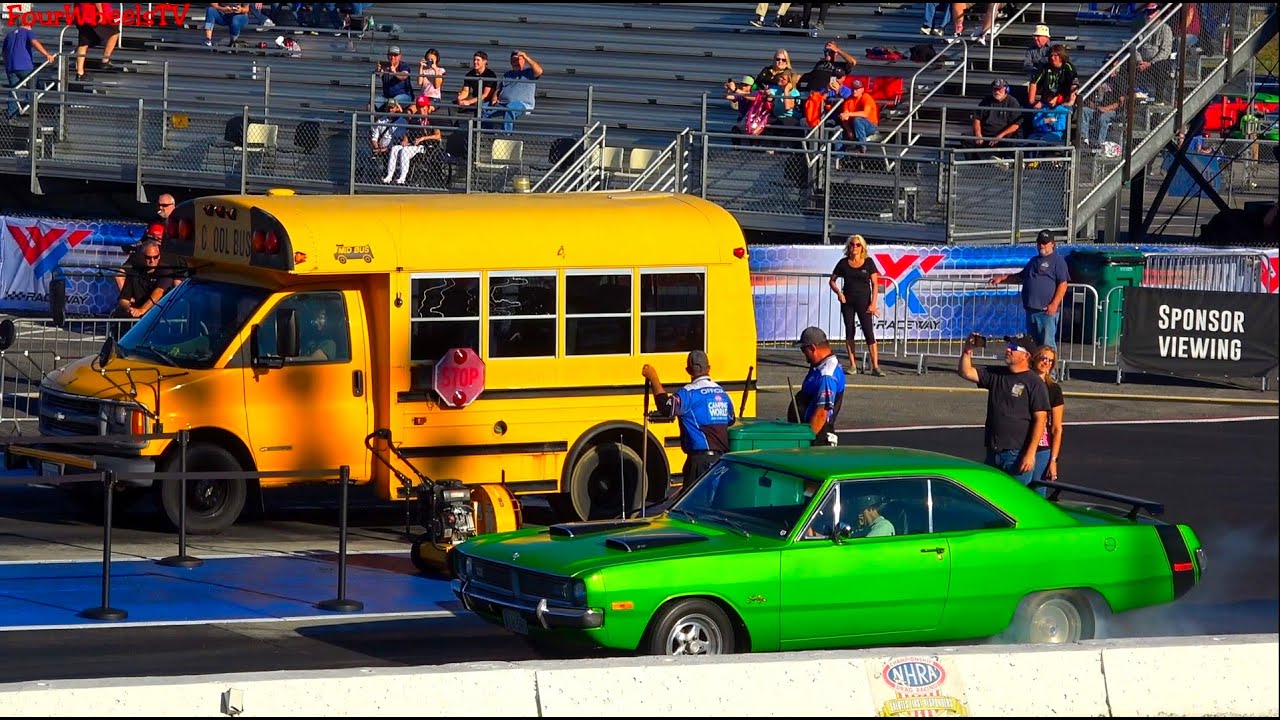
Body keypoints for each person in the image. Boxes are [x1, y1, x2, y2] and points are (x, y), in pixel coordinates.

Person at [956, 332, 1050, 486]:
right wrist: (967, 350)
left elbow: (1040, 420)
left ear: (1026, 355)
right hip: (993, 452)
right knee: (990, 500)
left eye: (1013, 347)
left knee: (1016, 501)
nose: (1008, 349)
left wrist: (1030, 454)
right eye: (1008, 346)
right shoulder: (997, 374)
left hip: (1016, 454)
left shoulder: (1034, 383)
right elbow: (965, 372)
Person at [641, 350, 735, 486]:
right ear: (709, 368)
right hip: (721, 462)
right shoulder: (723, 393)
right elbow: (730, 419)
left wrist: (653, 377)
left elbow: (666, 408)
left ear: (688, 370)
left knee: (692, 505)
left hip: (699, 463)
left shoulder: (688, 394)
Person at [987, 229, 1070, 349]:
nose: (1042, 245)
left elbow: (1063, 284)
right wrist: (1002, 279)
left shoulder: (1058, 261)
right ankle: (1034, 367)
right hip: (1031, 311)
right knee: (1032, 345)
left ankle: (1050, 368)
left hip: (1046, 311)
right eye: (1040, 242)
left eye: (1045, 242)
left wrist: (1054, 304)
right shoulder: (1033, 261)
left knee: (1047, 345)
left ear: (1053, 244)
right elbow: (1020, 277)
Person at [828, 234, 884, 376]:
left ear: (862, 247)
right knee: (849, 331)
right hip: (848, 302)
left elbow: (875, 284)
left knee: (868, 332)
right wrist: (839, 294)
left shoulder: (868, 262)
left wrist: (873, 304)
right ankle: (853, 365)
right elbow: (832, 281)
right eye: (852, 244)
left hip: (864, 302)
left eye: (858, 245)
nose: (855, 247)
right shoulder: (843, 263)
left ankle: (875, 367)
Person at [789, 326, 845, 445]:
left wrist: (805, 441)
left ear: (812, 348)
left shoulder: (827, 376)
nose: (803, 353)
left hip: (817, 438)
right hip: (808, 430)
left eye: (804, 350)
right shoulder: (820, 365)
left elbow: (821, 414)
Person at [3, 13, 55, 121]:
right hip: (24, 66)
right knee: (36, 85)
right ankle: (27, 104)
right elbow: (34, 42)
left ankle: (11, 115)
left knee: (14, 90)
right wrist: (47, 54)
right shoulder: (27, 32)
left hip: (11, 67)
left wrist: (7, 63)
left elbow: (4, 52)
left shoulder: (10, 34)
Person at [1030, 345, 1064, 496]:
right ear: (1034, 358)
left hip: (1042, 449)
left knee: (1037, 494)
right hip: (1019, 444)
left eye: (1051, 361)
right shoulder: (1024, 382)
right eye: (1043, 358)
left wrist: (1053, 460)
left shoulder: (1053, 389)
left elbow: (1056, 428)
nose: (1047, 363)